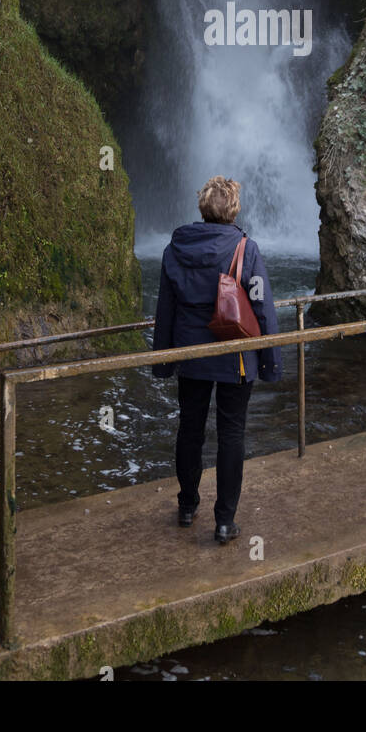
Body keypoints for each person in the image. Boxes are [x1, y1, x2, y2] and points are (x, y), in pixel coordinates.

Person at [151, 176, 282, 543]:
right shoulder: (246, 248)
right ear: (234, 209)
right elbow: (262, 306)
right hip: (233, 354)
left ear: (202, 208)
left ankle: (187, 505)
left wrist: (164, 361)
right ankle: (224, 522)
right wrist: (270, 361)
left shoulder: (174, 249)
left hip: (191, 354)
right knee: (231, 434)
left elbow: (166, 309)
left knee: (189, 428)